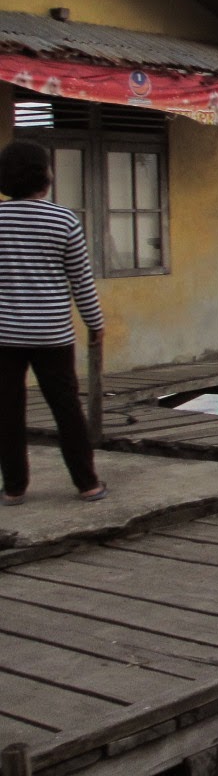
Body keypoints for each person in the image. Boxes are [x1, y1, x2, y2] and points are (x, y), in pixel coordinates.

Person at [0, 140, 109, 505]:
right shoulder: (63, 220)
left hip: (4, 335)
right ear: (45, 176)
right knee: (66, 409)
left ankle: (14, 488)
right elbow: (81, 280)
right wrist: (95, 324)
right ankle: (87, 483)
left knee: (7, 411)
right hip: (53, 334)